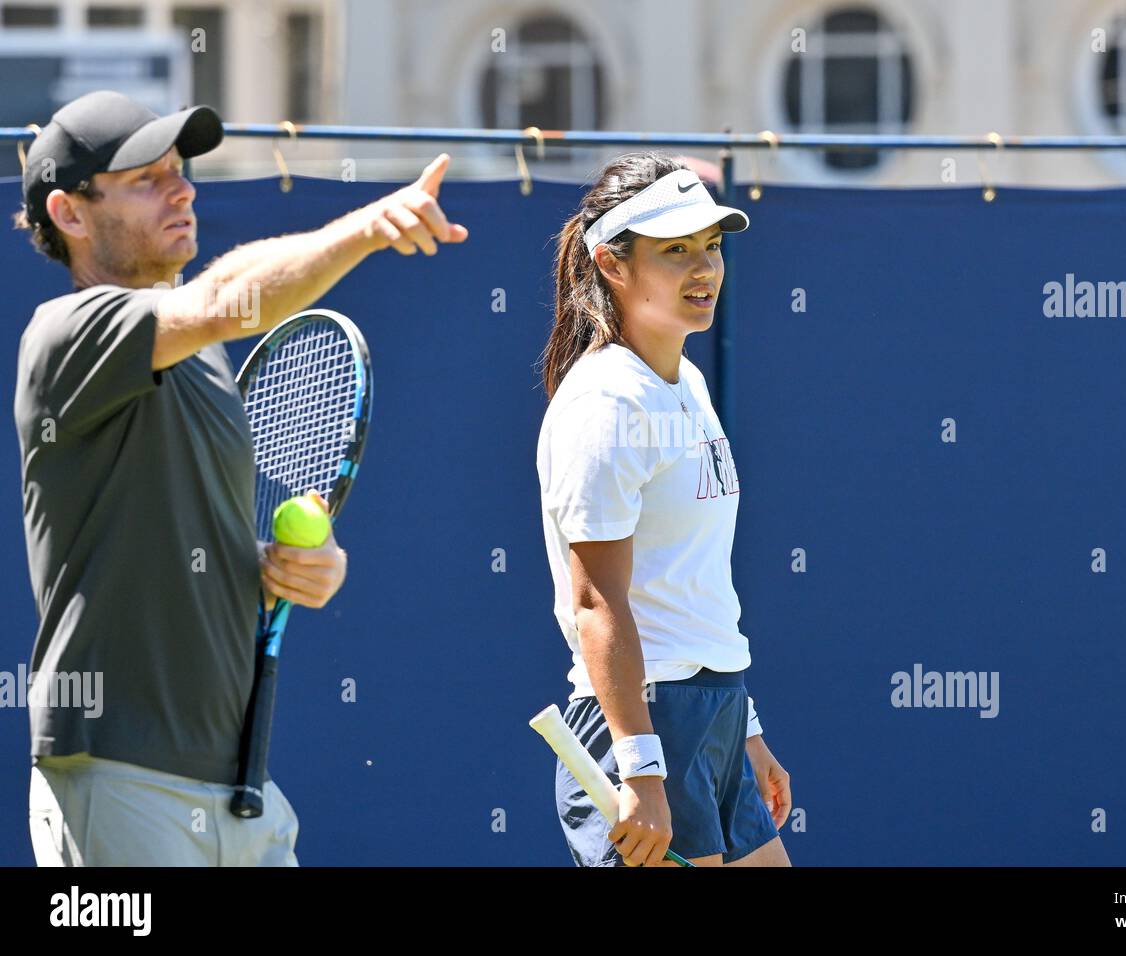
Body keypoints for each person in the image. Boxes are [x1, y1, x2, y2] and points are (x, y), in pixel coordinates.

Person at [12, 90, 468, 865]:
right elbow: (225, 298)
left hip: (239, 790)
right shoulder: (64, 337)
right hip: (118, 776)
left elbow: (189, 554)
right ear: (71, 213)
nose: (182, 188)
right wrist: (362, 229)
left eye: (180, 171)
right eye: (145, 178)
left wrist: (284, 570)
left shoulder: (203, 362)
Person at [536, 152, 792, 866]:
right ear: (613, 265)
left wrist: (746, 730)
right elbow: (596, 601)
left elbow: (691, 582)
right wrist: (642, 770)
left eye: (710, 245)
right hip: (642, 723)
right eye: (675, 250)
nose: (704, 267)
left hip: (713, 711)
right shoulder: (604, 402)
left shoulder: (688, 385)